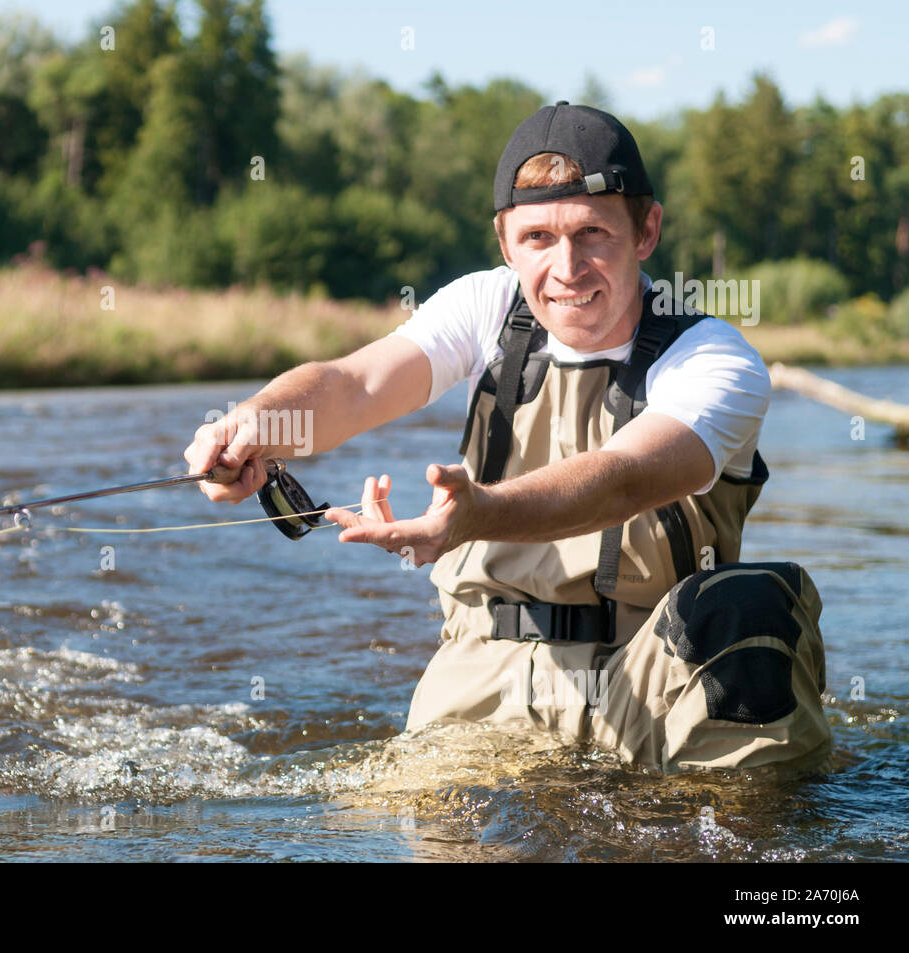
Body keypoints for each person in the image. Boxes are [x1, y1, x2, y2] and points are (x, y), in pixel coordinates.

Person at [183, 102, 831, 772]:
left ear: (647, 231)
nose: (568, 266)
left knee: (753, 603)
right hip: (483, 672)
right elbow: (356, 385)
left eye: (594, 234)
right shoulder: (487, 308)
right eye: (539, 239)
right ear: (505, 243)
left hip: (656, 675)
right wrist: (258, 423)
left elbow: (623, 476)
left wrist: (478, 515)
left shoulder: (715, 359)